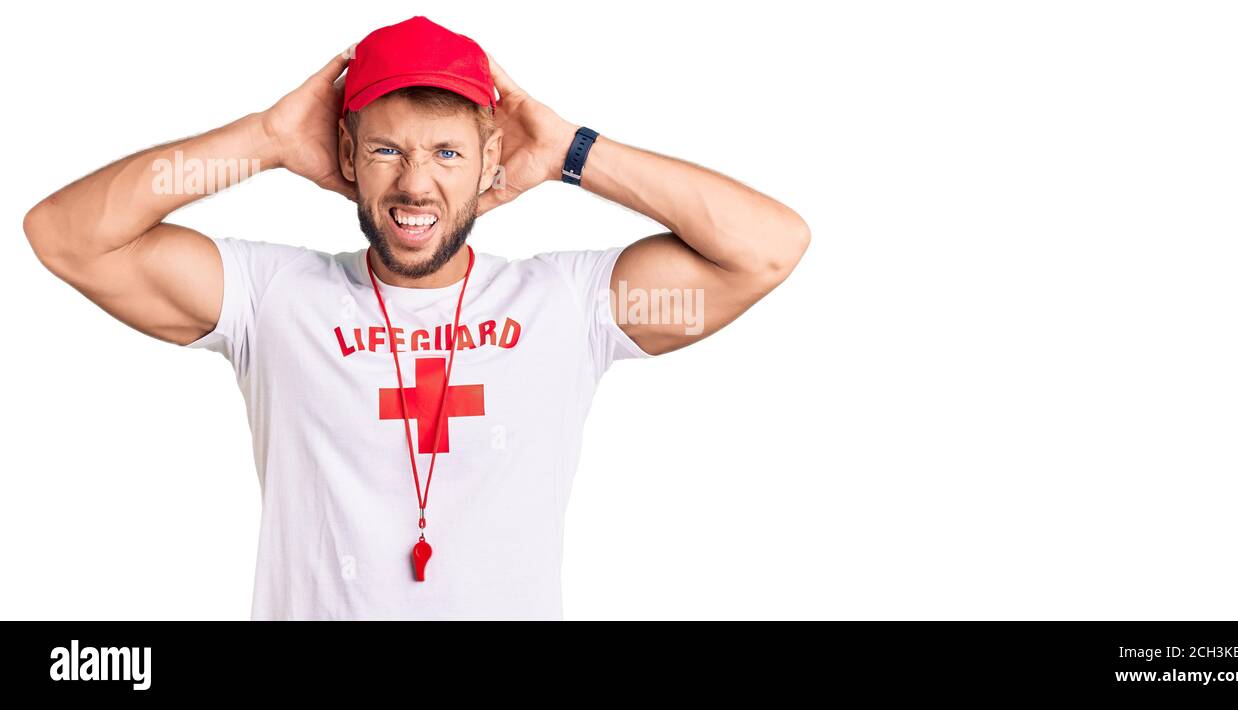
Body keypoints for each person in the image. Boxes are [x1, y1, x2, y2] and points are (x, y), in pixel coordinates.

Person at [22, 16, 809, 619]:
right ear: (345, 153)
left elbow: (767, 249)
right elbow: (66, 238)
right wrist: (262, 141)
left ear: (492, 160)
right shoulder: (272, 298)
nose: (415, 186)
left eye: (447, 153)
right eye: (387, 151)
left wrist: (571, 149)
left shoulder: (568, 309)